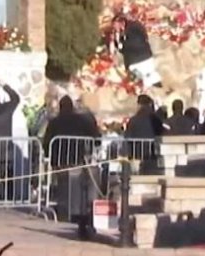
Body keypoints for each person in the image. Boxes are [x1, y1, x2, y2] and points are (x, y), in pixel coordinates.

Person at [44, 96, 101, 237]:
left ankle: (66, 211)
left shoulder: (54, 122)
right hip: (78, 160)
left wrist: (49, 155)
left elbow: (46, 142)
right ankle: (78, 214)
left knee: (65, 186)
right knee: (79, 189)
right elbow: (96, 137)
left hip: (60, 161)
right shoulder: (82, 120)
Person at [111, 15, 162, 88]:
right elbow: (121, 49)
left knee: (144, 76)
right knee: (145, 75)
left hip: (138, 58)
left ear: (121, 22)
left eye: (115, 26)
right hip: (140, 58)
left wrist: (119, 41)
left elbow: (123, 48)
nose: (115, 28)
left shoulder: (131, 29)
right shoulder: (123, 33)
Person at [123, 95, 166, 167]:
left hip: (136, 152)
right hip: (152, 152)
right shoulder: (155, 118)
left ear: (139, 105)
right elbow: (161, 133)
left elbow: (127, 136)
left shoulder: (133, 120)